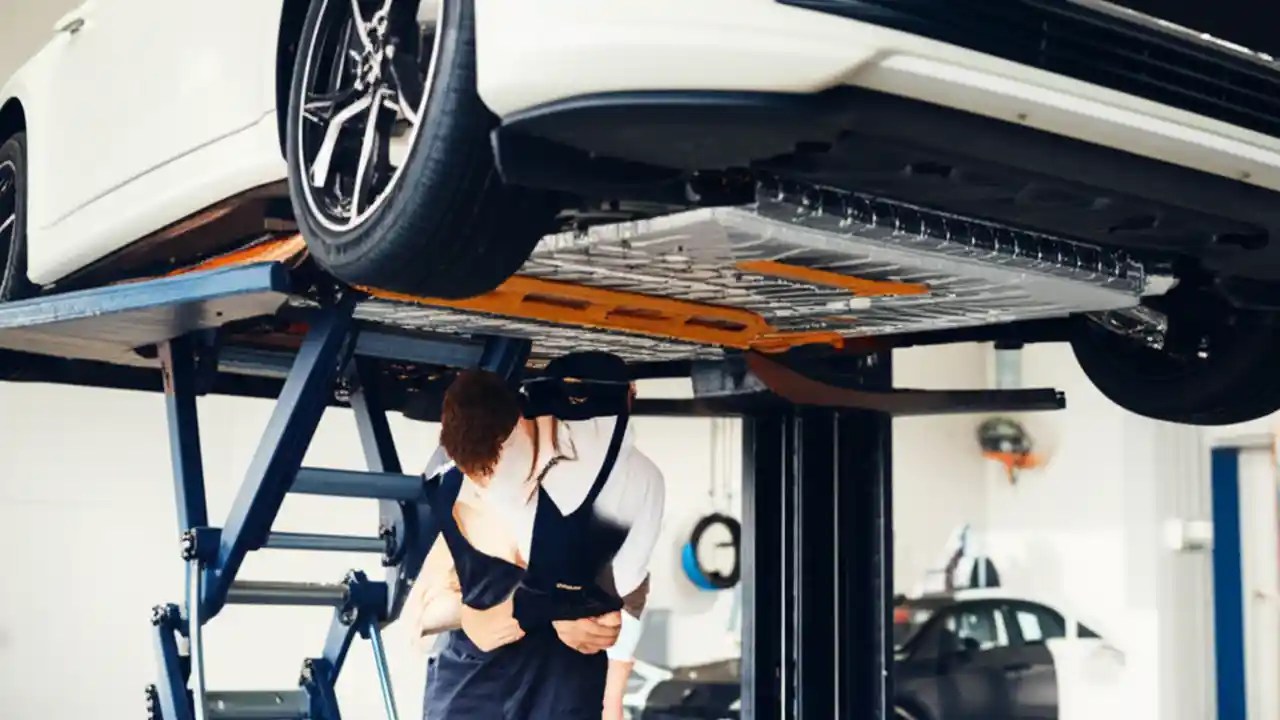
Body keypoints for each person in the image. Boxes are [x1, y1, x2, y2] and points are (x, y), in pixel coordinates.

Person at [406, 352, 665, 719]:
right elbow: (422, 612)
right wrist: (479, 616)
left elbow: (622, 598)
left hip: (554, 685)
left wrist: (613, 698)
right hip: (483, 682)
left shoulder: (631, 481)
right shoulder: (465, 479)